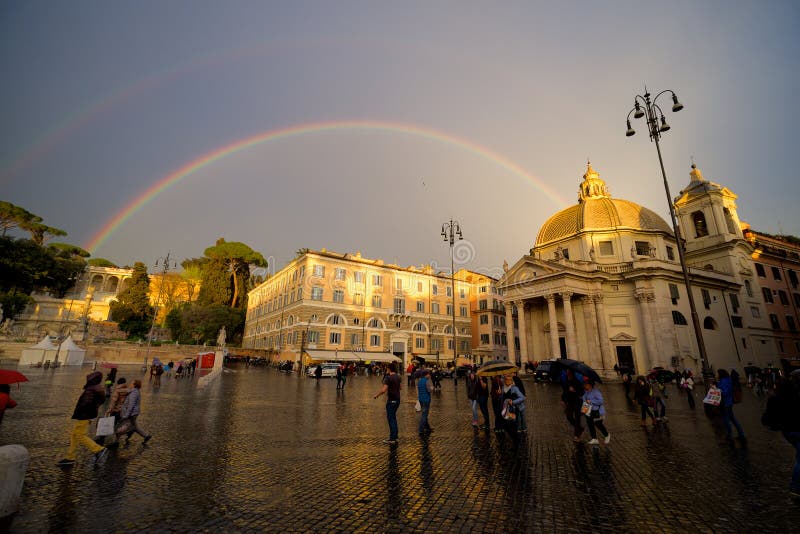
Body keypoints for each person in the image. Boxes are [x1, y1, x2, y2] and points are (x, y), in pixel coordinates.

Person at [57, 371, 109, 466]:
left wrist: (80, 413)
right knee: (74, 435)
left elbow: (85, 403)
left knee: (80, 435)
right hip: (88, 415)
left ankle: (99, 449)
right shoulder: (99, 388)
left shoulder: (91, 389)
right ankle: (70, 457)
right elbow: (101, 401)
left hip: (84, 415)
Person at [761, 373, 800, 499]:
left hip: (787, 431)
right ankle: (795, 488)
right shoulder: (796, 396)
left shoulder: (774, 399)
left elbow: (766, 418)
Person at [374, 362, 401, 444]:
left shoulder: (388, 378)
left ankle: (392, 438)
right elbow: (401, 388)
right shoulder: (398, 377)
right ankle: (395, 437)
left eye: (387, 368)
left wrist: (377, 395)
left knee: (391, 419)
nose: (386, 369)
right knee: (394, 418)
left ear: (389, 369)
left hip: (391, 400)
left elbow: (384, 390)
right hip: (397, 400)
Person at [121, 379, 152, 444]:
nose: (130, 384)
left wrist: (126, 414)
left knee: (129, 425)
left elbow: (131, 405)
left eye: (131, 383)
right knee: (134, 426)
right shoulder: (134, 391)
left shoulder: (134, 393)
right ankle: (145, 435)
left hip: (132, 413)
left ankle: (144, 435)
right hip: (134, 413)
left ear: (134, 385)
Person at [717, 369, 745, 439]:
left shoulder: (723, 381)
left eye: (717, 373)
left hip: (725, 402)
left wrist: (717, 389)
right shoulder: (727, 380)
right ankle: (741, 433)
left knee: (726, 419)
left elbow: (725, 392)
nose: (716, 375)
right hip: (729, 402)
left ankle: (729, 435)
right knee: (732, 418)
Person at [104, 377, 130, 447]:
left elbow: (113, 402)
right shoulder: (128, 391)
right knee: (119, 425)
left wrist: (109, 410)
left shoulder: (117, 391)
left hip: (116, 410)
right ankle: (117, 440)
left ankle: (113, 441)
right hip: (123, 411)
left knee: (113, 426)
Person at [582, 380, 611, 445]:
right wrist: (584, 410)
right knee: (590, 424)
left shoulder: (596, 392)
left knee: (598, 424)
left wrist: (591, 401)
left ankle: (607, 435)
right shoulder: (586, 392)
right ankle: (594, 438)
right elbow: (584, 400)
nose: (584, 385)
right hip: (588, 410)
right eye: (584, 384)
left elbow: (601, 401)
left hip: (597, 411)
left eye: (586, 384)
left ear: (590, 385)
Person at [561, 370, 584, 442]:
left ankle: (577, 435)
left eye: (569, 373)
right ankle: (580, 429)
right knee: (569, 416)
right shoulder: (566, 382)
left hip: (577, 402)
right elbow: (564, 392)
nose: (567, 374)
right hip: (570, 402)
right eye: (567, 373)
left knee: (577, 419)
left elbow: (581, 392)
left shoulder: (577, 382)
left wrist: (574, 391)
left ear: (571, 374)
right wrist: (562, 399)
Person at [417, 369, 434, 436]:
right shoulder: (427, 381)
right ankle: (421, 429)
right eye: (429, 374)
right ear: (426, 374)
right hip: (426, 399)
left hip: (421, 399)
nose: (429, 375)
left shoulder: (420, 381)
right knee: (424, 415)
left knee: (425, 413)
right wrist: (432, 388)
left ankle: (427, 427)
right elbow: (429, 390)